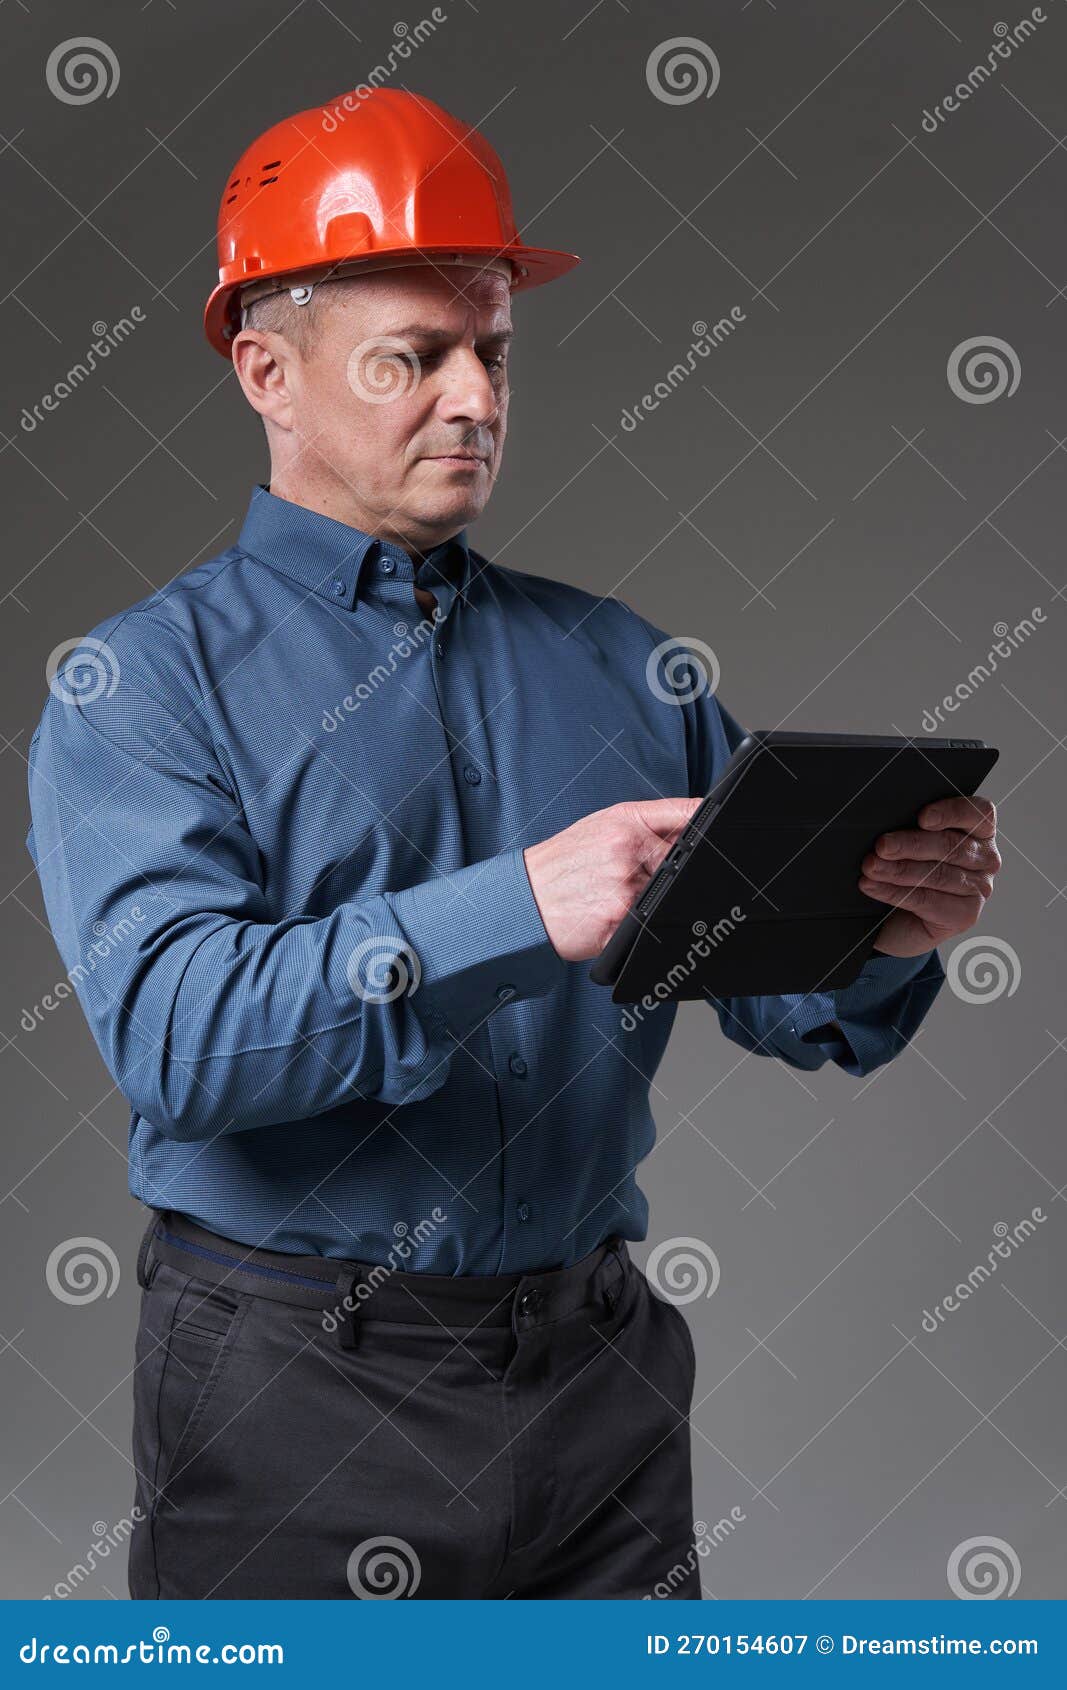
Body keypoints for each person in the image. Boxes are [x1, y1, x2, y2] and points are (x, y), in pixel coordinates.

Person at [25, 87, 1001, 1600]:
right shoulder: (145, 686)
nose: (475, 397)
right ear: (266, 372)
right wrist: (515, 908)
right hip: (294, 1392)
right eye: (413, 357)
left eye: (492, 350)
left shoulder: (627, 669)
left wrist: (880, 932)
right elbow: (178, 1041)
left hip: (599, 1388)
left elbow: (777, 996)